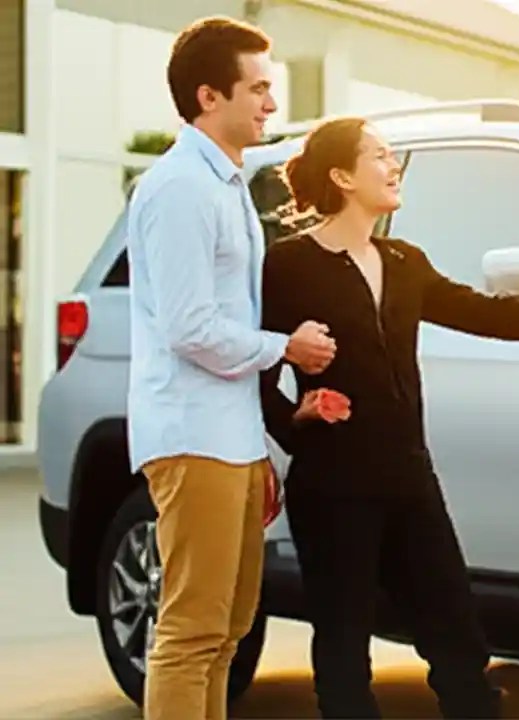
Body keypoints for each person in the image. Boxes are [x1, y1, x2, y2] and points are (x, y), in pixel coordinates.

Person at [258, 116, 519, 719]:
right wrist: (296, 414)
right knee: (344, 650)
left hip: (409, 480)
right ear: (342, 175)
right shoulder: (289, 264)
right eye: (378, 155)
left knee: (456, 638)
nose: (392, 165)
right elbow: (257, 366)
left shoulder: (403, 259)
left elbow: (489, 313)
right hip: (332, 488)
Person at [126, 16, 337, 720]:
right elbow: (191, 328)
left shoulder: (226, 185)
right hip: (192, 438)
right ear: (209, 96)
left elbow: (225, 321)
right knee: (191, 635)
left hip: (231, 439)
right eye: (258, 89)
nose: (271, 104)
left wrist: (258, 450)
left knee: (226, 634)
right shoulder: (180, 188)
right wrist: (286, 347)